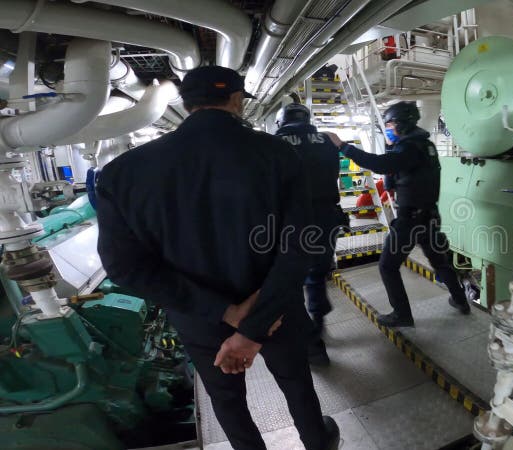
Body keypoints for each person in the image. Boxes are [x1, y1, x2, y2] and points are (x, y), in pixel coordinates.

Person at [94, 65, 339, 450]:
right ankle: (317, 441)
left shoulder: (121, 173)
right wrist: (254, 325)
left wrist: (225, 312)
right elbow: (299, 245)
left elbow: (125, 266)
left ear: (186, 104)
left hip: (199, 318)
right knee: (297, 384)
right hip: (275, 309)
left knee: (226, 400)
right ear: (237, 100)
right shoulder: (276, 154)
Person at [324, 101, 470, 327]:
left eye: (390, 124)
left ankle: (402, 314)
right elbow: (402, 171)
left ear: (401, 124)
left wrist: (343, 146)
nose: (388, 128)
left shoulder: (409, 148)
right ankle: (461, 300)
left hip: (410, 221)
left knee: (387, 266)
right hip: (429, 216)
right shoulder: (425, 146)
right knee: (440, 262)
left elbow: (380, 164)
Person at [275, 103, 347, 341]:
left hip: (292, 220)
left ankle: (302, 333)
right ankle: (318, 322)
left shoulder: (274, 143)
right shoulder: (326, 141)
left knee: (289, 277)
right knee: (317, 273)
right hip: (327, 218)